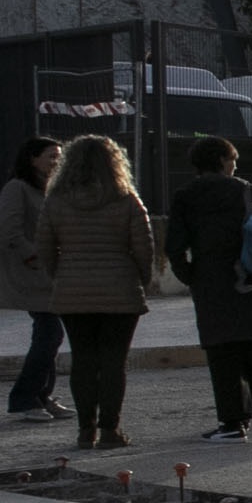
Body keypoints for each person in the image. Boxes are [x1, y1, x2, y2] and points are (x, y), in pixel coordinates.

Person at [34, 134, 152, 451]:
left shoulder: (55, 201)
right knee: (114, 361)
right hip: (120, 289)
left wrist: (60, 274)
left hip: (73, 291)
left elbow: (44, 247)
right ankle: (110, 429)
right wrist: (142, 277)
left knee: (83, 360)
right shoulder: (126, 199)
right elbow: (143, 246)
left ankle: (86, 430)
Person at [163, 137, 252, 441]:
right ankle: (248, 412)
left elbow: (174, 245)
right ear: (223, 161)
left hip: (211, 280)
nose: (235, 164)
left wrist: (191, 275)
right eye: (233, 158)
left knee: (221, 352)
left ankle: (231, 421)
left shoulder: (186, 196)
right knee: (250, 348)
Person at [0, 139, 65, 423]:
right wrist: (33, 257)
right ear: (33, 158)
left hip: (46, 274)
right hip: (31, 273)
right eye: (51, 156)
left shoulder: (47, 188)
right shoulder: (17, 188)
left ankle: (41, 396)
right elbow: (8, 230)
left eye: (58, 156)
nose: (56, 161)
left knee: (49, 334)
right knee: (50, 333)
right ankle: (25, 397)